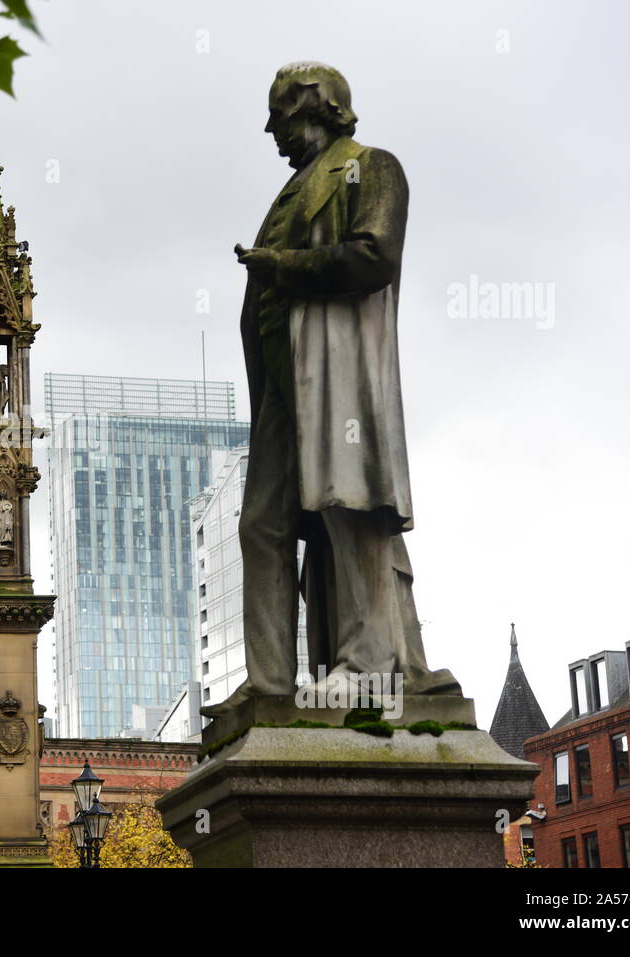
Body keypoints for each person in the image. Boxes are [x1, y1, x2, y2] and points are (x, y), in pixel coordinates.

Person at [204, 62, 458, 718]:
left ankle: (368, 666)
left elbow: (376, 255)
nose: (273, 133)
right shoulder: (287, 194)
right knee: (261, 524)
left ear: (317, 109)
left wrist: (285, 267)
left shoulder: (372, 167)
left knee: (347, 507)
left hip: (337, 376)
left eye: (281, 119)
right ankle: (269, 683)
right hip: (282, 388)